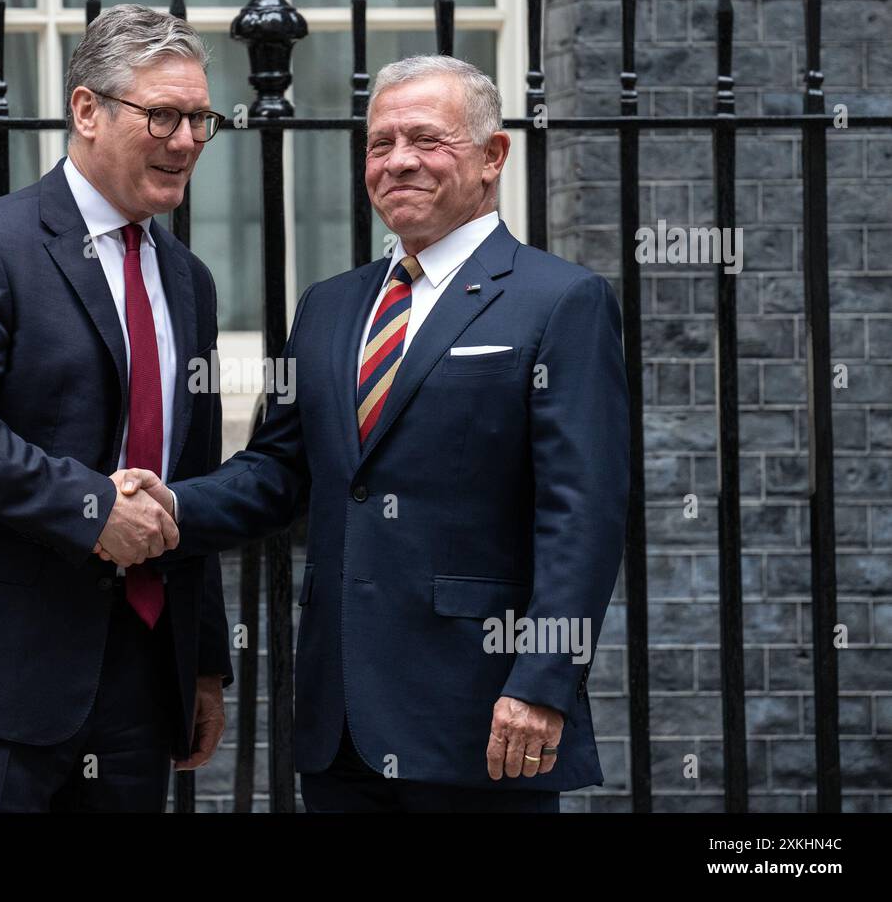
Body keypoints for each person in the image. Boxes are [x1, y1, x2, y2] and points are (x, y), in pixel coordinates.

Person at [117, 55, 629, 812]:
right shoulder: (329, 305)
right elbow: (277, 470)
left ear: (493, 156)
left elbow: (582, 515)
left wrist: (542, 682)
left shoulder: (561, 301)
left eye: (426, 139)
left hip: (483, 718)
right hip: (340, 722)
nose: (398, 161)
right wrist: (171, 505)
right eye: (380, 143)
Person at [0, 4, 231, 812]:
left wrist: (201, 661)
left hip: (138, 678)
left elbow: (189, 475)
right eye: (163, 115)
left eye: (200, 118)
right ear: (87, 110)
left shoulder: (189, 281)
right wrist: (92, 508)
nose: (186, 140)